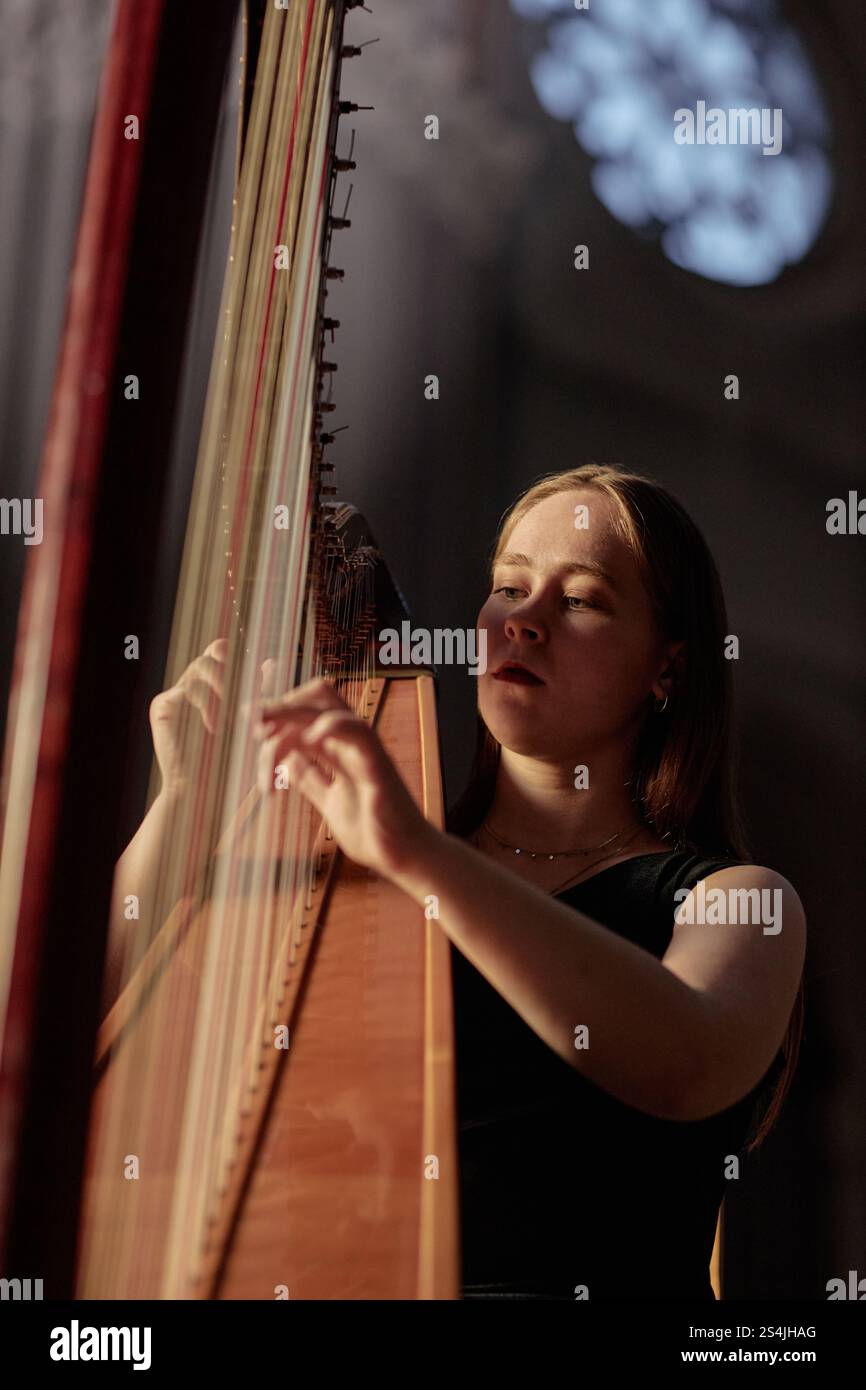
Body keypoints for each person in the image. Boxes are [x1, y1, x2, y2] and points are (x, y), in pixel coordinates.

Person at [111, 463, 806, 1300]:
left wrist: (418, 854)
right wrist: (181, 808)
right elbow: (66, 1029)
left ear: (669, 668)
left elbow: (687, 1061)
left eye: (581, 599)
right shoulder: (355, 873)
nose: (526, 620)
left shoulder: (738, 901)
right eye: (508, 586)